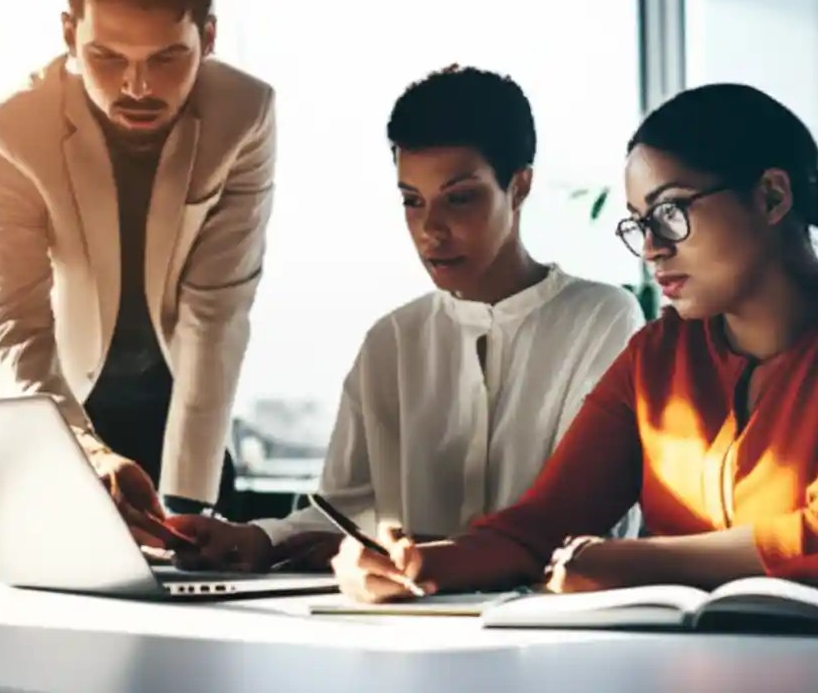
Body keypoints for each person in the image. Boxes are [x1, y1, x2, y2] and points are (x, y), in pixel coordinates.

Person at [330, 82, 818, 620]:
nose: (651, 249)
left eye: (670, 214)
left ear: (772, 196)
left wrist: (641, 561)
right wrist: (415, 563)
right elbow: (537, 525)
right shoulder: (660, 351)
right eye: (639, 224)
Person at [171, 66, 644, 572]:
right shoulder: (392, 340)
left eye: (459, 198)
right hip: (402, 626)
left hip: (553, 631)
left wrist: (407, 552)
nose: (430, 230)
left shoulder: (603, 320)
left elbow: (589, 524)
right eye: (411, 201)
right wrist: (255, 539)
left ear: (520, 186)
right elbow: (341, 516)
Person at [0, 0, 275, 576]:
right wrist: (86, 452)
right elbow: (12, 323)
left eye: (168, 58)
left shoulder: (244, 114)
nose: (138, 86)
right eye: (107, 57)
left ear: (209, 37)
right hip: (29, 422)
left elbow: (218, 312)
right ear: (70, 35)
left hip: (174, 419)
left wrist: (186, 502)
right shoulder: (7, 128)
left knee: (197, 638)